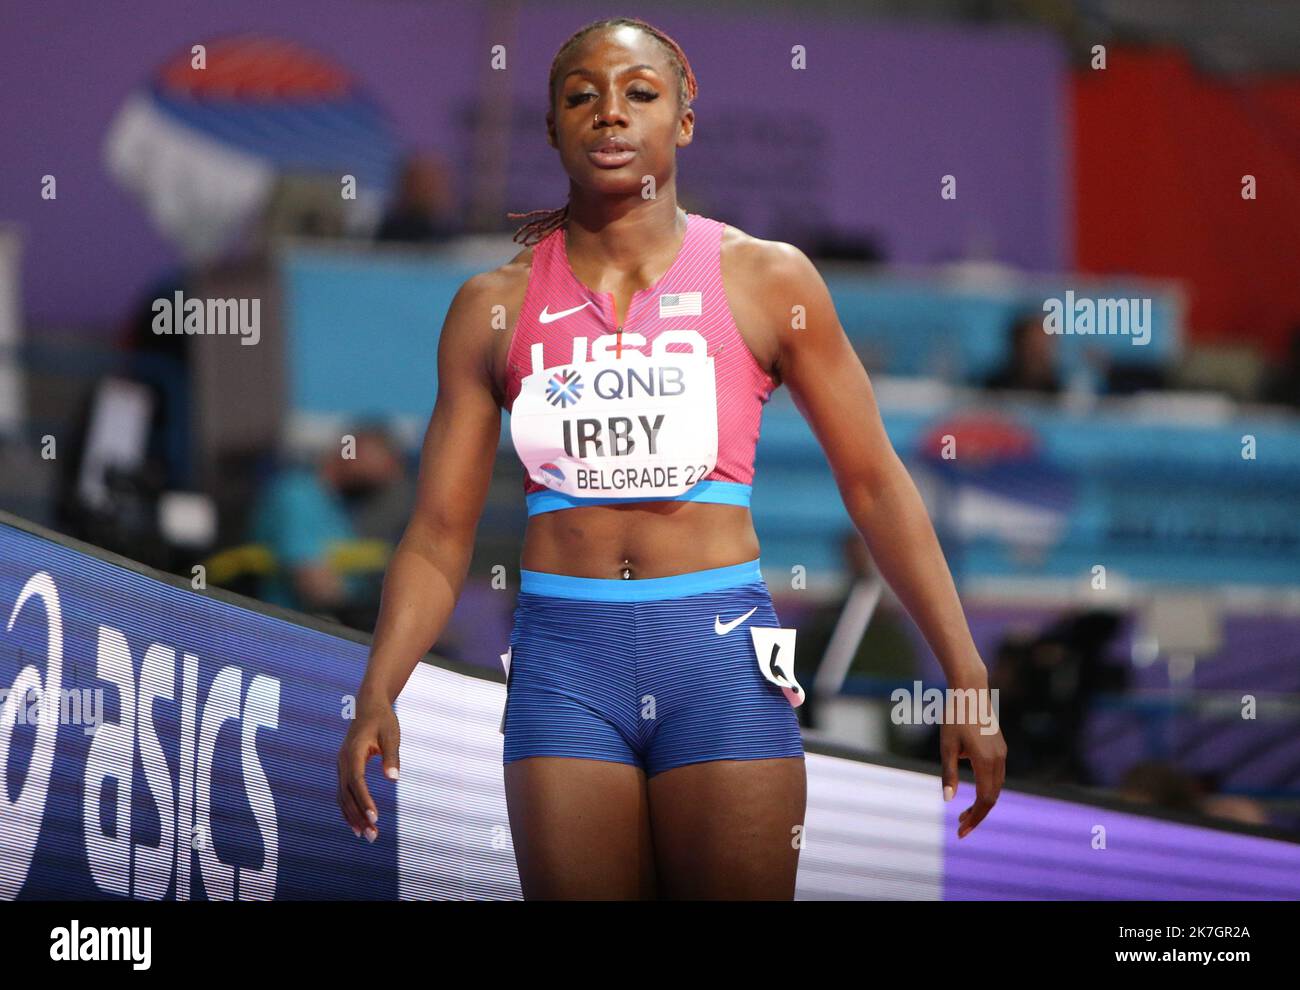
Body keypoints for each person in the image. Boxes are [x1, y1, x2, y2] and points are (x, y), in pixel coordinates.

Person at [336, 16, 1006, 899]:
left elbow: (877, 484)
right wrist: (380, 687)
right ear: (552, 128)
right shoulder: (491, 309)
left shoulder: (766, 280)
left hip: (719, 656)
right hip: (563, 666)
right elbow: (436, 534)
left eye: (639, 94)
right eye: (582, 96)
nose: (610, 114)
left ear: (684, 121)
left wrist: (966, 674)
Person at [248, 424, 408, 623]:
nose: (393, 475)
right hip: (291, 633)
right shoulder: (296, 495)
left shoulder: (338, 509)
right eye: (389, 460)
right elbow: (315, 586)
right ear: (356, 450)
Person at [982, 311, 1062, 394]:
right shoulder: (991, 389)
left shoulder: (1063, 393)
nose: (1036, 354)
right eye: (1031, 346)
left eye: (1042, 347)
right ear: (1016, 345)